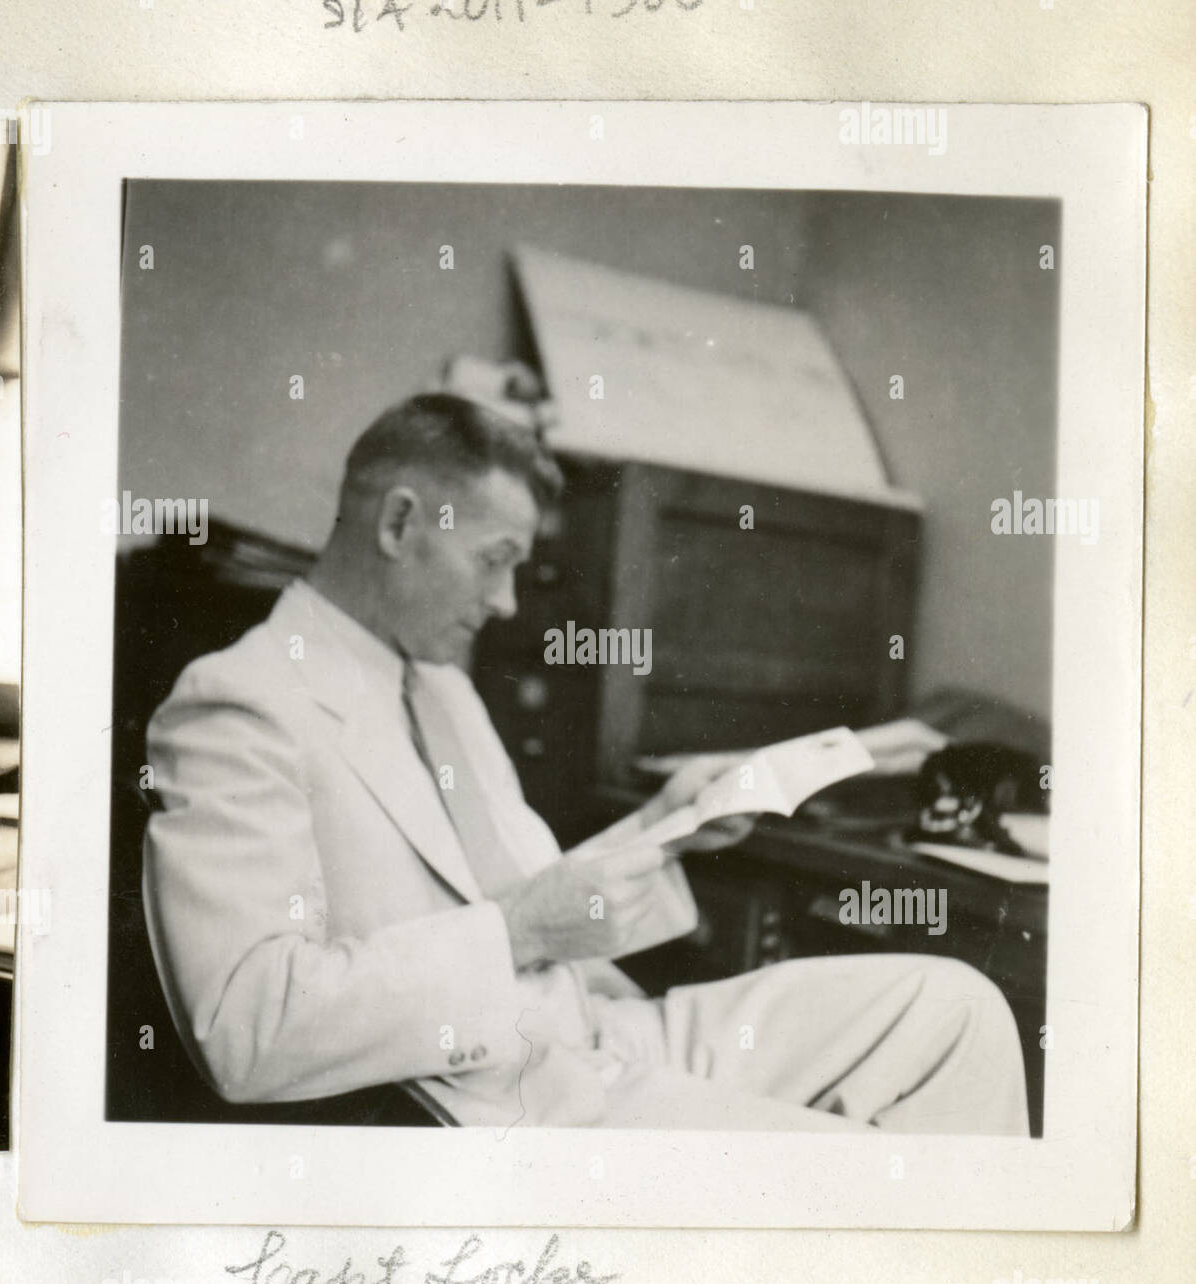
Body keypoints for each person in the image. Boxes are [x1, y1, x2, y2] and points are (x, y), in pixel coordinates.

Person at [143, 393, 1029, 1134]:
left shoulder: (439, 686)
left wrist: (668, 828)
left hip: (594, 1031)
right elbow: (246, 1027)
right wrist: (523, 931)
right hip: (493, 1092)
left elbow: (524, 892)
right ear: (401, 521)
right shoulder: (243, 702)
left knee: (954, 1011)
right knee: (859, 1170)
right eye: (495, 563)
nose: (506, 602)